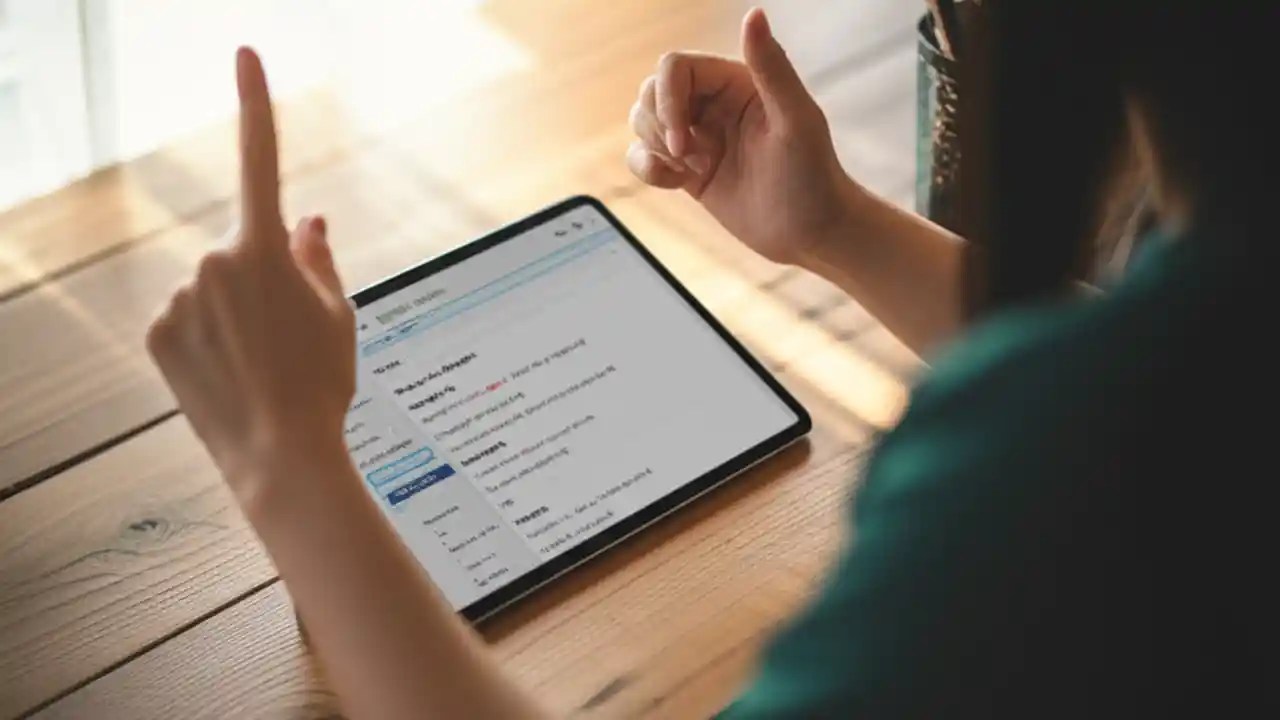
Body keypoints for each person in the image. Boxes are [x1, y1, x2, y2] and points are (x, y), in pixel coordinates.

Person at [145, 3, 1273, 718]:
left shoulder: (1052, 469)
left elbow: (1111, 421)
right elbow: (1162, 386)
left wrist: (285, 463)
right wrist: (834, 225)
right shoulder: (1212, 297)